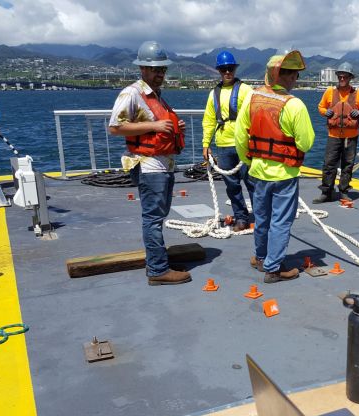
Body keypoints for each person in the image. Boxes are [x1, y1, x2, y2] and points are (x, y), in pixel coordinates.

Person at [108, 41, 191, 286]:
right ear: (142, 68)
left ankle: (158, 261)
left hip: (163, 164)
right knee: (153, 217)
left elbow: (159, 125)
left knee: (159, 214)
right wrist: (155, 126)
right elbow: (115, 127)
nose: (160, 74)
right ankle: (157, 269)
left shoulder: (156, 96)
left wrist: (175, 128)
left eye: (163, 69)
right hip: (148, 165)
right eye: (155, 69)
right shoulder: (131, 93)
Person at [234, 51, 315, 283]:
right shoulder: (294, 105)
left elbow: (240, 137)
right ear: (288, 77)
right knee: (280, 222)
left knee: (262, 218)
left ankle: (260, 258)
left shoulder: (251, 98)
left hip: (258, 172)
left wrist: (250, 161)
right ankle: (272, 268)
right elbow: (306, 142)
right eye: (295, 75)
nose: (295, 79)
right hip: (284, 174)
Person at [202, 51, 254, 231]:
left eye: (230, 69)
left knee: (252, 182)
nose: (227, 72)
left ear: (235, 69)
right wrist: (206, 144)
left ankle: (261, 216)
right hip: (223, 145)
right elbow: (209, 120)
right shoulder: (213, 94)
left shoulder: (246, 91)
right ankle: (241, 217)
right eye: (223, 69)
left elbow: (254, 116)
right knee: (232, 186)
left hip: (243, 144)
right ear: (219, 71)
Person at [313, 62, 359, 203]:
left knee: (348, 164)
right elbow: (320, 107)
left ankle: (344, 191)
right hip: (334, 135)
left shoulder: (358, 93)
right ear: (337, 77)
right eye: (340, 76)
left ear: (350, 78)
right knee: (329, 164)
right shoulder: (330, 92)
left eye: (345, 76)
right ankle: (327, 192)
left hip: (351, 136)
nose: (342, 79)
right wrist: (326, 112)